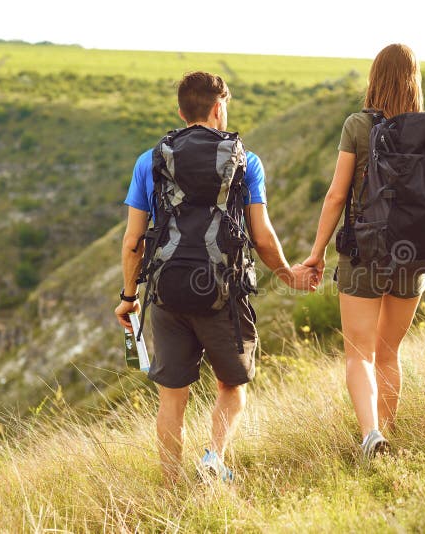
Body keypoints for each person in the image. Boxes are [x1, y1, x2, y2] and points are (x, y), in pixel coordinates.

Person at [114, 71, 317, 486]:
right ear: (218, 107)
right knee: (232, 384)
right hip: (223, 292)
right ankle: (213, 458)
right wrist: (288, 275)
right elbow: (261, 235)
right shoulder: (246, 160)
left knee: (172, 398)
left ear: (180, 111)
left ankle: (171, 486)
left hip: (168, 292)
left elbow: (134, 240)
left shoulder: (149, 161)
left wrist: (128, 296)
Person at [302, 44, 425, 457]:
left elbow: (336, 195)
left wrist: (317, 252)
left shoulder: (358, 126)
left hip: (364, 255)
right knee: (389, 352)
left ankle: (372, 435)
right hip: (414, 257)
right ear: (415, 80)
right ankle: (387, 434)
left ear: (375, 78)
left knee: (360, 353)